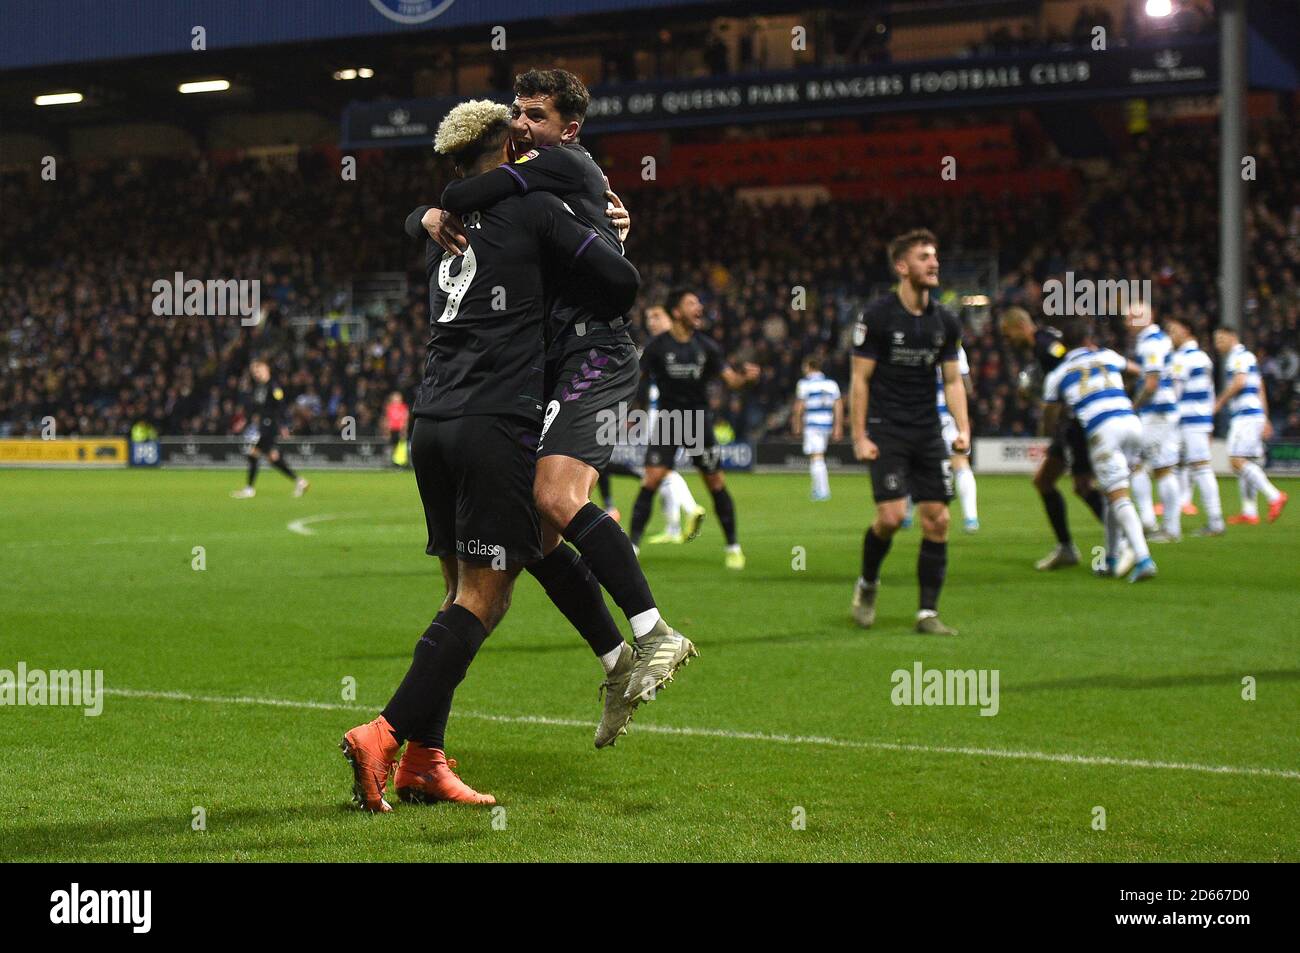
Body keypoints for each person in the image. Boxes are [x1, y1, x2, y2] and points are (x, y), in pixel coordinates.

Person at [340, 100, 642, 812]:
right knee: (487, 595)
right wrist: (609, 232)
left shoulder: (442, 229)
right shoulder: (534, 211)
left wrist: (421, 214)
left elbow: (421, 215)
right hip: (493, 421)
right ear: (511, 145)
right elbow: (618, 286)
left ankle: (423, 761)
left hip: (431, 421)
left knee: (457, 593)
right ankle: (383, 733)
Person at [412, 70, 697, 747]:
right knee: (533, 533)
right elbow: (464, 199)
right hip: (548, 364)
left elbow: (463, 190)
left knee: (552, 493)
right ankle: (615, 659)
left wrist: (435, 208)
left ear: (569, 127)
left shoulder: (557, 167)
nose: (520, 124)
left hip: (594, 351)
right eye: (516, 112)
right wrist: (420, 216)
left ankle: (657, 632)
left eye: (535, 115)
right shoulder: (549, 183)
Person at [849, 229, 968, 635]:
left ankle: (927, 613)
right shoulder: (878, 316)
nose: (934, 263)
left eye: (935, 256)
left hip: (928, 431)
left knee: (938, 520)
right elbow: (860, 380)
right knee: (892, 516)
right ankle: (867, 584)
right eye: (923, 257)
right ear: (902, 266)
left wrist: (963, 429)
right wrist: (860, 435)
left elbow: (952, 381)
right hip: (887, 429)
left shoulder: (946, 320)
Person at [630, 289, 759, 569]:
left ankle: (733, 547)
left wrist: (746, 380)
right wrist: (627, 409)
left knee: (716, 484)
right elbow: (636, 380)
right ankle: (632, 547)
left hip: (698, 421)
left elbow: (732, 382)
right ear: (677, 312)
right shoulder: (657, 346)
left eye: (699, 302)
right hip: (667, 420)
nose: (699, 307)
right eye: (692, 303)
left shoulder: (707, 347)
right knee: (651, 480)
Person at [1041, 320, 1156, 582]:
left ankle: (1143, 558)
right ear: (1088, 340)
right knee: (1108, 495)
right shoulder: (1108, 355)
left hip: (1102, 430)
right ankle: (1111, 558)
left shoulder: (1058, 374)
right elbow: (1138, 372)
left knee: (1117, 495)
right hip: (1131, 422)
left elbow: (1049, 414)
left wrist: (1049, 430)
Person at [999, 306, 1109, 570]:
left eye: (1008, 334)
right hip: (1068, 423)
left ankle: (1126, 537)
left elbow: (1067, 372)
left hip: (1074, 422)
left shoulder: (1046, 346)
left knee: (1081, 485)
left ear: (1019, 326)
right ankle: (1067, 548)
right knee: (1045, 481)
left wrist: (1047, 408)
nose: (1008, 341)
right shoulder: (1046, 339)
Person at [1213, 327, 1288, 524]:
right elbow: (1259, 388)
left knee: (1236, 460)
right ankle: (1249, 512)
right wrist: (1265, 417)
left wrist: (1219, 403)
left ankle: (1274, 496)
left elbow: (1239, 382)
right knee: (1247, 462)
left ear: (1232, 337)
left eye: (1221, 339)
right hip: (1253, 415)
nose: (1217, 344)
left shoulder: (1238, 356)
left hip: (1245, 416)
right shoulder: (1248, 357)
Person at [1126, 304, 1183, 541]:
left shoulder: (1150, 342)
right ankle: (1165, 526)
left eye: (1131, 316)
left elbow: (1151, 383)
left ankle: (1154, 523)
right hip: (1165, 410)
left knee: (1139, 464)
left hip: (1155, 412)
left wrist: (1134, 406)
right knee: (1162, 468)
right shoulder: (1159, 339)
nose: (1127, 321)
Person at [1167, 317, 1226, 537]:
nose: (1170, 334)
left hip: (1187, 420)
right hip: (1198, 420)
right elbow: (1209, 392)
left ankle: (1212, 520)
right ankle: (1211, 520)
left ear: (1186, 330)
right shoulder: (1202, 357)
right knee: (1192, 467)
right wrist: (1209, 423)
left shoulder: (1183, 359)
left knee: (1192, 468)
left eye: (1173, 330)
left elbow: (1175, 392)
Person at [230, 359, 308, 499]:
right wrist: (244, 421)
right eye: (254, 372)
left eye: (258, 370)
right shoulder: (260, 387)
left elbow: (281, 406)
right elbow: (256, 408)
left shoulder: (273, 386)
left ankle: (249, 489)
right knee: (273, 459)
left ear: (266, 369)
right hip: (264, 425)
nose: (256, 374)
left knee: (253, 454)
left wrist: (285, 425)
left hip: (270, 425)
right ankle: (300, 482)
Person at [791, 357, 843, 501]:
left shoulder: (804, 384)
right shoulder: (831, 384)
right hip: (827, 424)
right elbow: (838, 406)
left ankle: (823, 491)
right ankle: (817, 488)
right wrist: (838, 426)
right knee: (818, 456)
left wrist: (796, 425)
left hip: (813, 424)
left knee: (816, 457)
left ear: (809, 366)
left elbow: (799, 406)